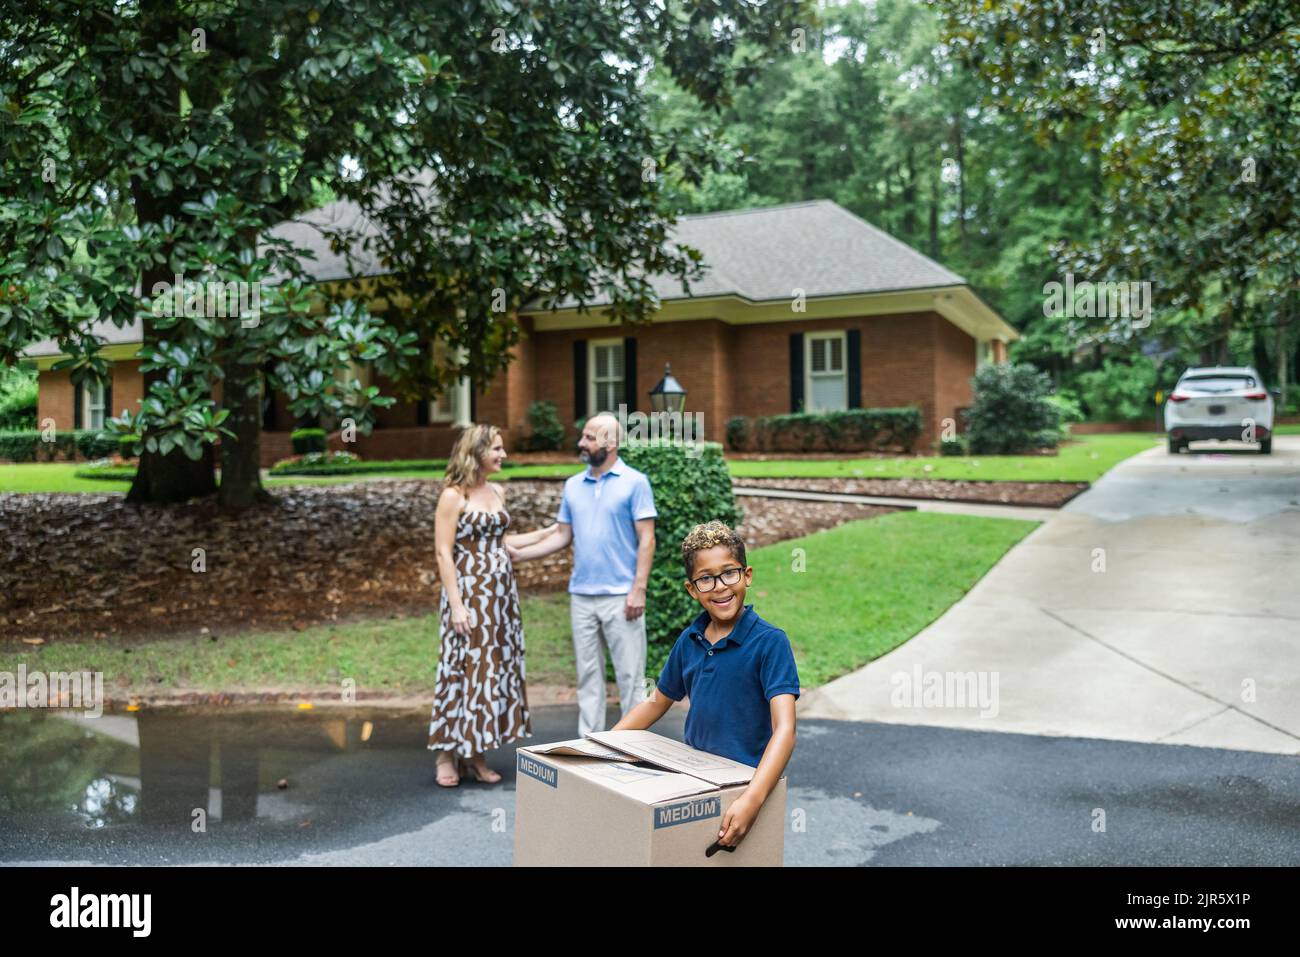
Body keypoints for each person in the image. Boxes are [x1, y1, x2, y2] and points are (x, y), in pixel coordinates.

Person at [610, 520, 799, 849]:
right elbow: (656, 702)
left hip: (746, 785)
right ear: (692, 589)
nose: (720, 586)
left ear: (747, 575)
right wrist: (605, 745)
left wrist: (752, 800)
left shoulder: (770, 643)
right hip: (695, 783)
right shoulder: (690, 640)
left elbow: (785, 729)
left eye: (729, 573)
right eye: (706, 579)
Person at [508, 413, 656, 738]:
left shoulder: (635, 483)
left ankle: (633, 747)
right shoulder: (573, 486)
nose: (582, 443)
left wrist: (638, 589)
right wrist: (519, 554)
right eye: (583, 437)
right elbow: (562, 536)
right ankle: (590, 746)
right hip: (582, 596)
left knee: (631, 677)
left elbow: (647, 538)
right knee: (588, 676)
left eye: (590, 438)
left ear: (611, 443)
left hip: (621, 596)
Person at [427, 423, 557, 787]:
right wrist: (456, 605)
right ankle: (445, 754)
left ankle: (475, 753)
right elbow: (443, 550)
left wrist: (549, 532)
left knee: (488, 674)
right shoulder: (453, 496)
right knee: (461, 669)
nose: (503, 454)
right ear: (477, 452)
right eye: (497, 449)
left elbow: (501, 538)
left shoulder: (497, 490)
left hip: (499, 599)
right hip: (467, 595)